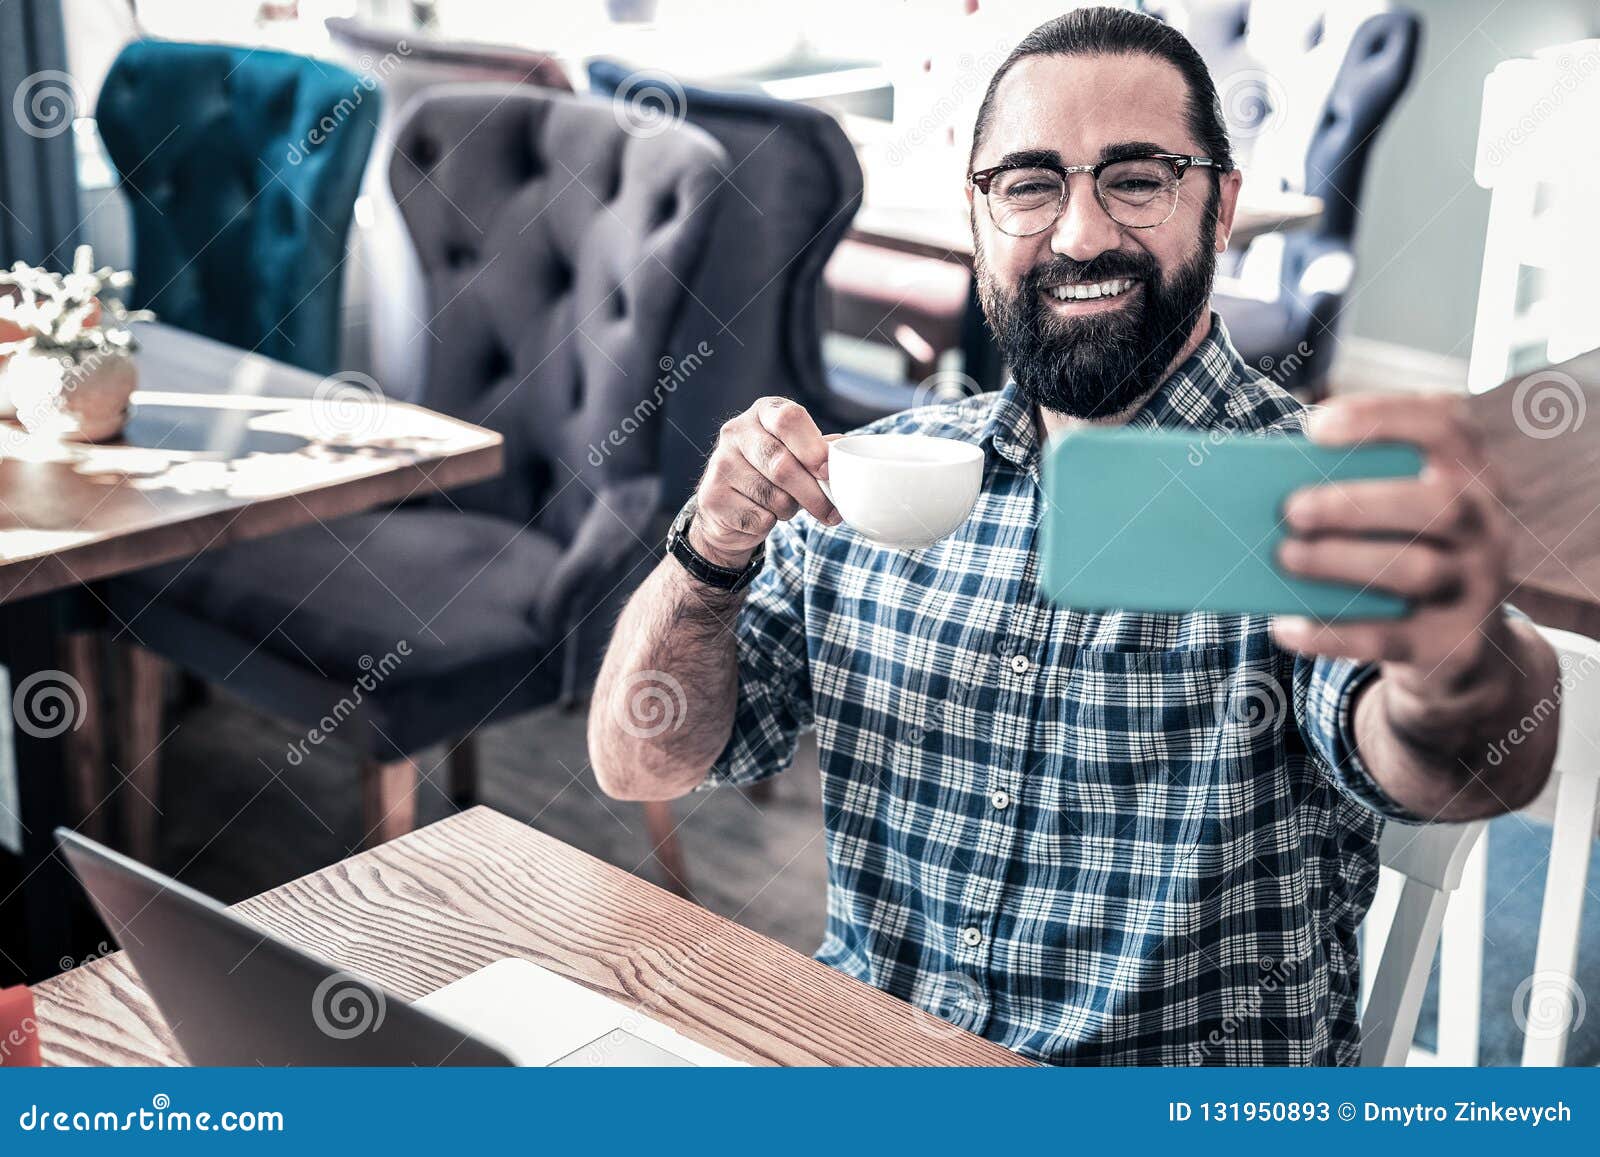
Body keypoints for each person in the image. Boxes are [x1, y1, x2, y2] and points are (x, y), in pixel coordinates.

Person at [588, 7, 1559, 1065]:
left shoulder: (1309, 494)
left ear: (1219, 206)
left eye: (1136, 179)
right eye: (1029, 183)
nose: (1081, 233)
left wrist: (1452, 663)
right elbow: (638, 759)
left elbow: (1460, 763)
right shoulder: (873, 481)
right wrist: (710, 551)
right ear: (977, 216)